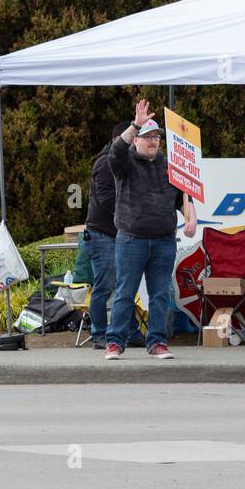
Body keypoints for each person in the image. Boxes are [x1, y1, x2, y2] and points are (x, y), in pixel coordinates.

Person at [104, 100, 196, 360]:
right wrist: (135, 125)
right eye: (148, 137)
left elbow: (183, 197)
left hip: (164, 241)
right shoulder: (124, 163)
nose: (153, 141)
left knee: (160, 295)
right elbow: (115, 152)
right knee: (124, 293)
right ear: (136, 140)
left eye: (157, 137)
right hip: (130, 240)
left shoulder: (171, 166)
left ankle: (157, 342)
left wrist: (191, 219)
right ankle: (114, 343)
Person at [83, 119, 136, 350]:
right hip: (102, 233)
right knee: (104, 286)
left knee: (125, 285)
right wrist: (130, 213)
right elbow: (106, 198)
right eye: (132, 139)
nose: (135, 145)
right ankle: (99, 334)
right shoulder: (105, 163)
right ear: (120, 139)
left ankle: (129, 331)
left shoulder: (125, 162)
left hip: (118, 232)